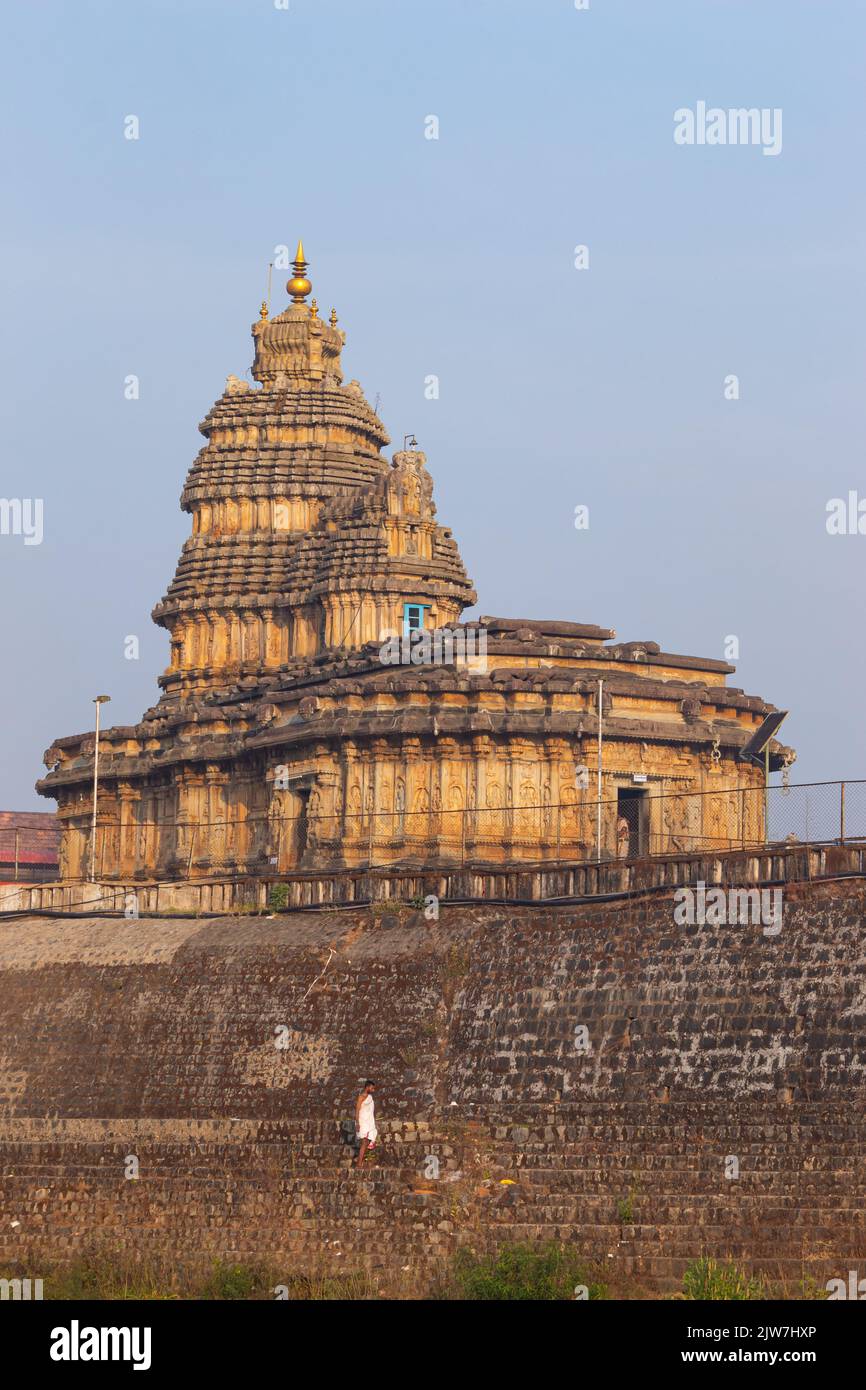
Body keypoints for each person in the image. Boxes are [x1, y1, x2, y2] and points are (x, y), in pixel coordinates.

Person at [355, 1080, 377, 1168]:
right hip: (363, 1122)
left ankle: (361, 1162)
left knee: (366, 1142)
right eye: (372, 1088)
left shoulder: (370, 1097)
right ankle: (359, 1163)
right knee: (364, 1142)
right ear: (367, 1087)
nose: (373, 1090)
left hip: (368, 1122)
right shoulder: (361, 1097)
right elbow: (357, 1110)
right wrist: (357, 1123)